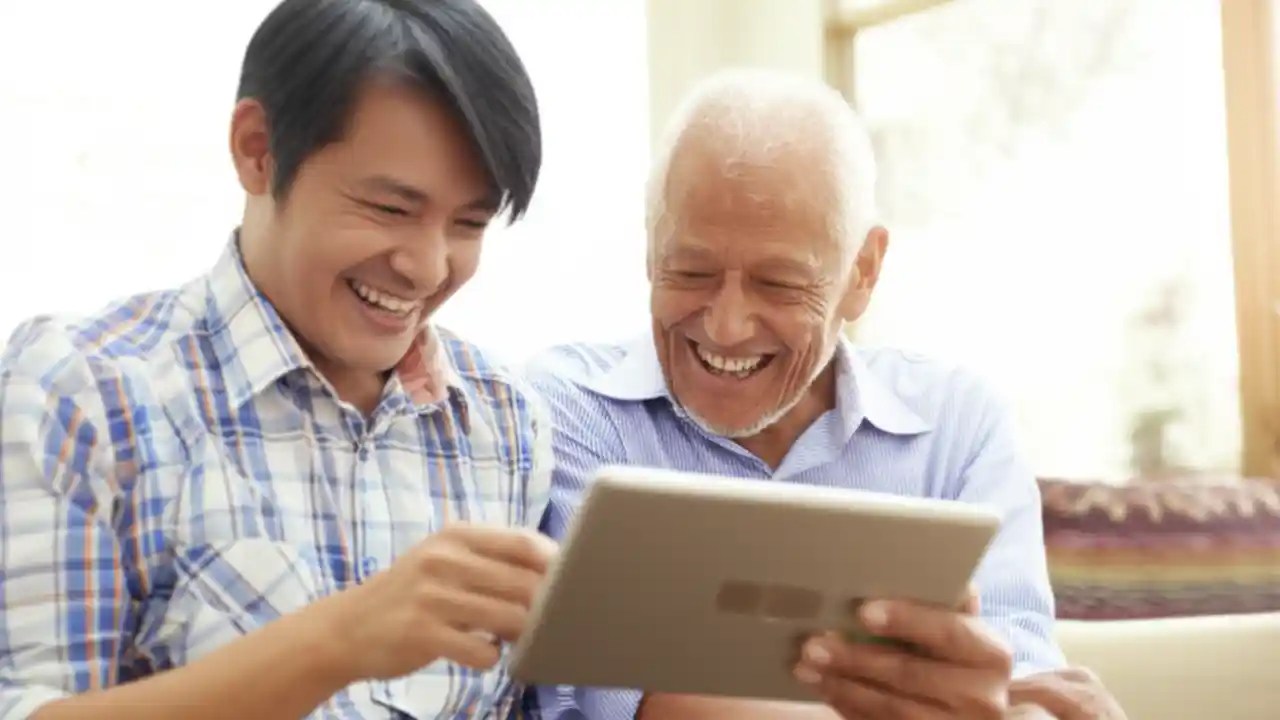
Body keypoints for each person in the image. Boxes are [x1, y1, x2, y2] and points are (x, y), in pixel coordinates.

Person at [0, 1, 557, 718]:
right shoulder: (83, 392)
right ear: (257, 150)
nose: (426, 266)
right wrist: (337, 640)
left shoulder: (505, 422)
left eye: (469, 224)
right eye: (390, 209)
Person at [526, 70, 1127, 719]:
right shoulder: (568, 407)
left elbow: (1024, 688)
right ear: (651, 249)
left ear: (863, 271)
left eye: (780, 284)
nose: (727, 325)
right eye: (690, 271)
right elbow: (608, 691)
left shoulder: (957, 427)